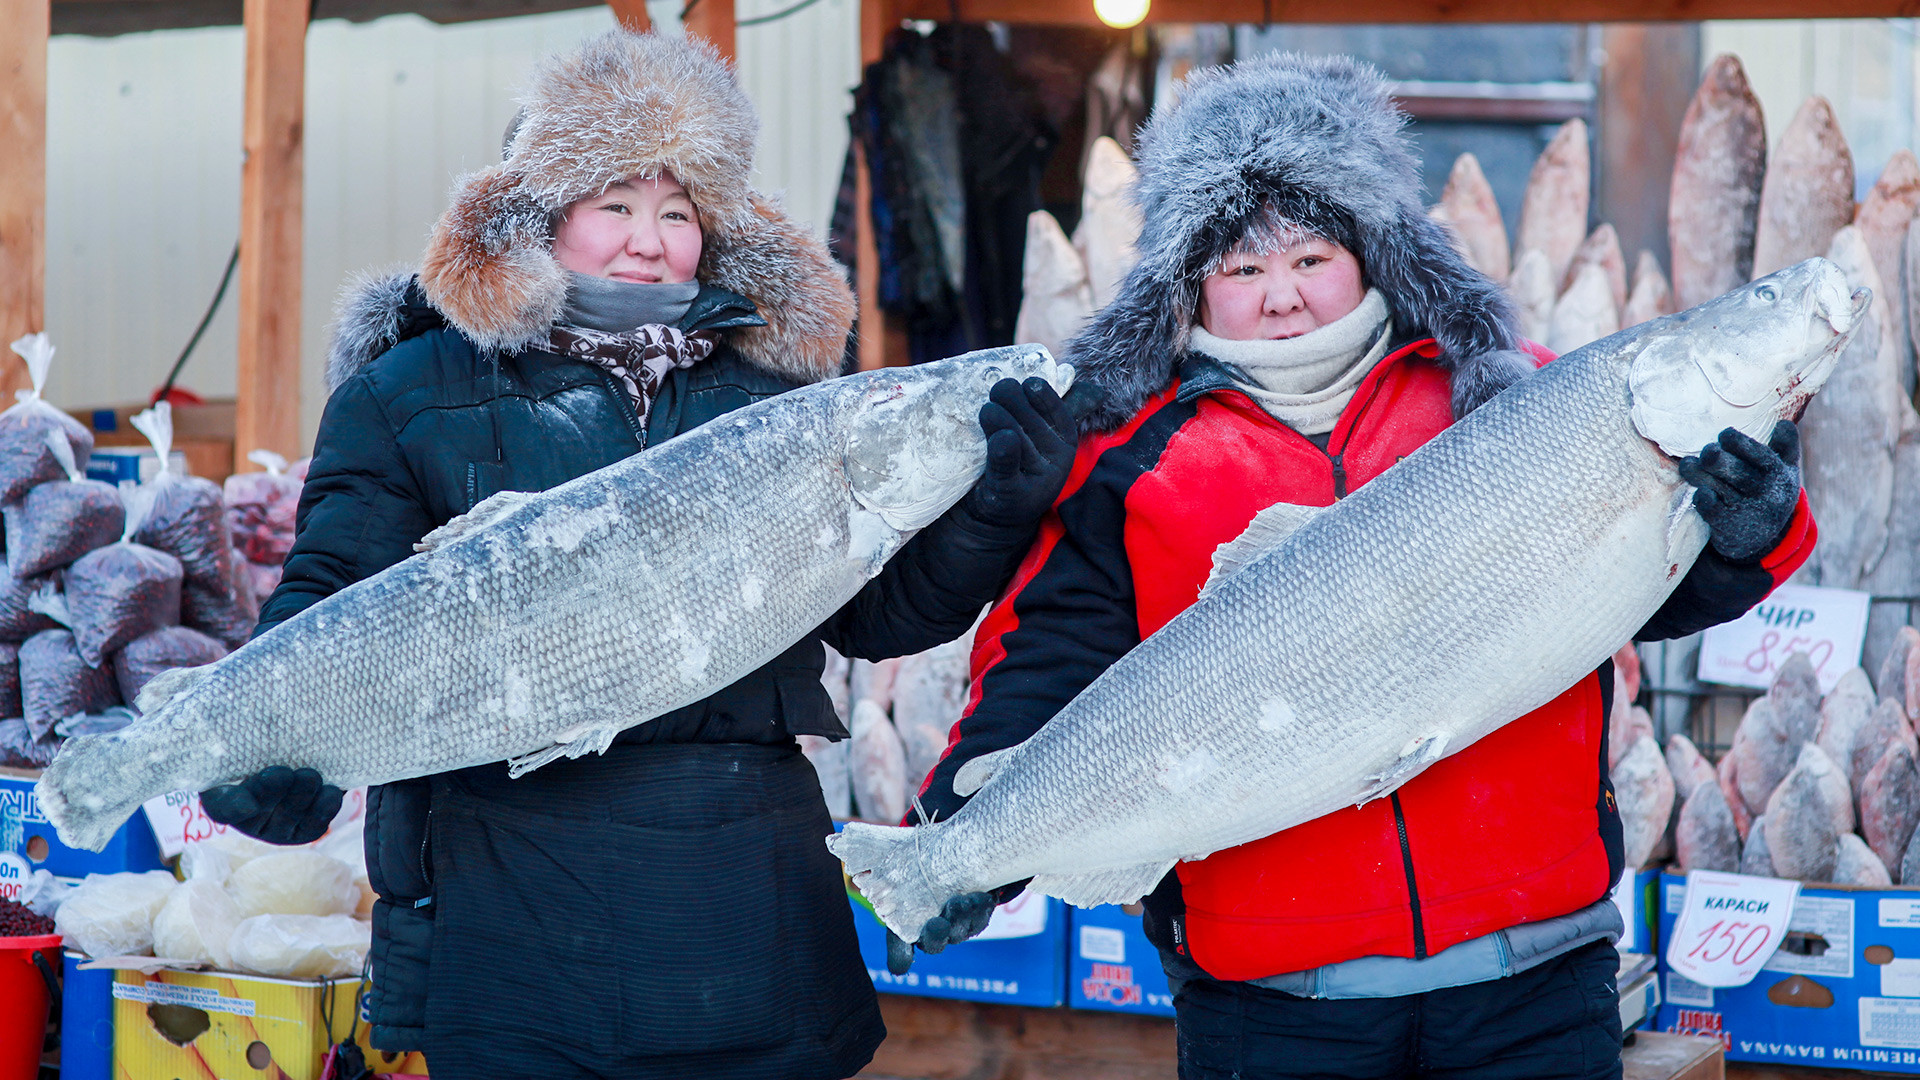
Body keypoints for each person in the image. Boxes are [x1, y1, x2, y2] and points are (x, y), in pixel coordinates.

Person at [197, 30, 1084, 1080]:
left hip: (746, 902)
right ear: (542, 215)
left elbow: (876, 617)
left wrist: (988, 511)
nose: (647, 243)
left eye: (676, 213)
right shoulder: (413, 394)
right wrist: (258, 732)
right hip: (511, 899)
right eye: (613, 206)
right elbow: (333, 596)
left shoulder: (775, 396)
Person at [908, 53, 1816, 1079]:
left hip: (1536, 979)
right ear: (1190, 287)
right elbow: (1047, 655)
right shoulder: (1135, 464)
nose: (1281, 298)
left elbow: (1634, 587)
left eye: (1309, 257)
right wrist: (963, 833)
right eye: (1242, 271)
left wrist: (1744, 529)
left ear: (1372, 251)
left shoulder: (1510, 404)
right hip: (1279, 1007)